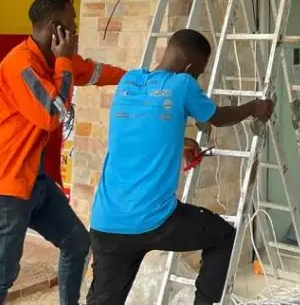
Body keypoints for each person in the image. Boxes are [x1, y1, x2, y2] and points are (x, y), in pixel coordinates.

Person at [86, 28, 275, 305]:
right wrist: (253, 108)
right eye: (197, 73)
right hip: (156, 220)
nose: (196, 79)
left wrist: (180, 142)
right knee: (224, 238)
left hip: (107, 223)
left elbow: (142, 126)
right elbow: (219, 117)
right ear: (187, 68)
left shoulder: (129, 82)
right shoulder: (182, 85)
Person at [0, 0, 126, 305]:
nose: (76, 31)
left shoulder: (52, 61)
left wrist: (137, 80)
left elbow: (94, 72)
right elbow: (52, 115)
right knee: (0, 273)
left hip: (34, 181)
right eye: (72, 25)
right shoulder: (21, 65)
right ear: (56, 29)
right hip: (8, 184)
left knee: (76, 242)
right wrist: (65, 62)